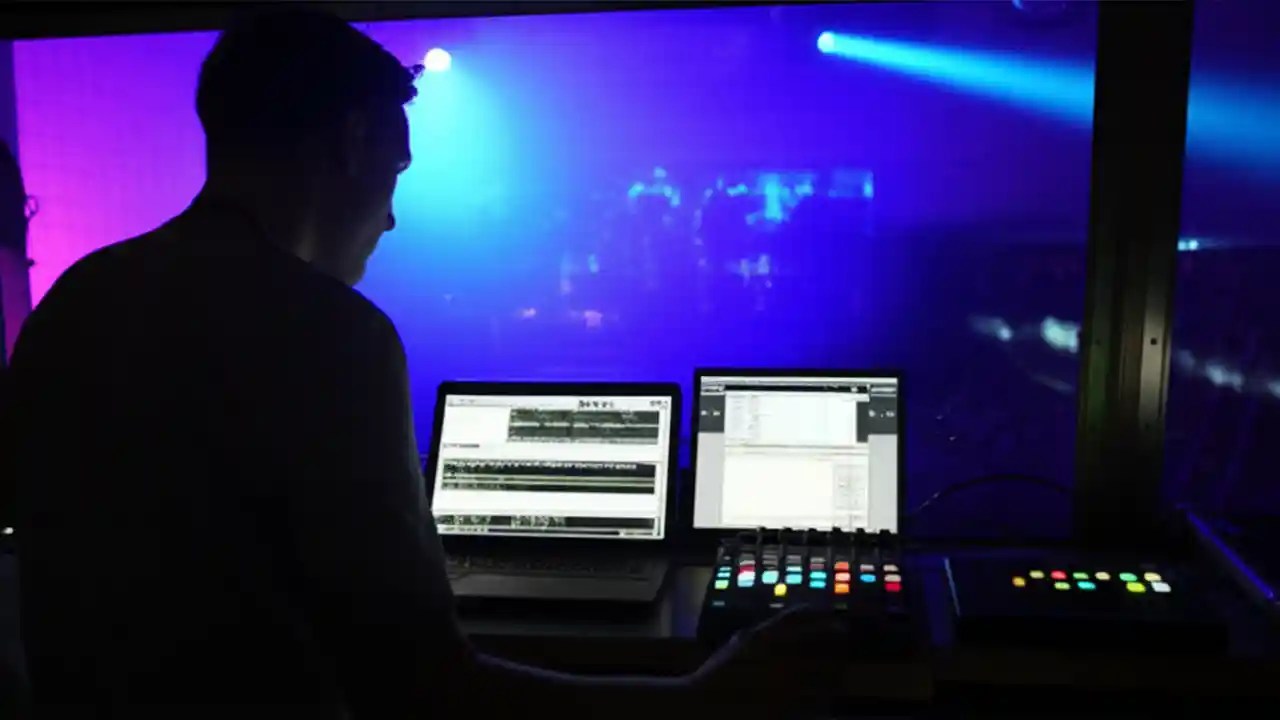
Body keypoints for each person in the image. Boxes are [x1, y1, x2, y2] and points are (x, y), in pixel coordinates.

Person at [3, 9, 842, 717]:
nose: (393, 218)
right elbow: (433, 688)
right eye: (396, 171)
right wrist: (697, 697)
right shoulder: (334, 333)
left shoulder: (77, 301)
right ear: (354, 141)